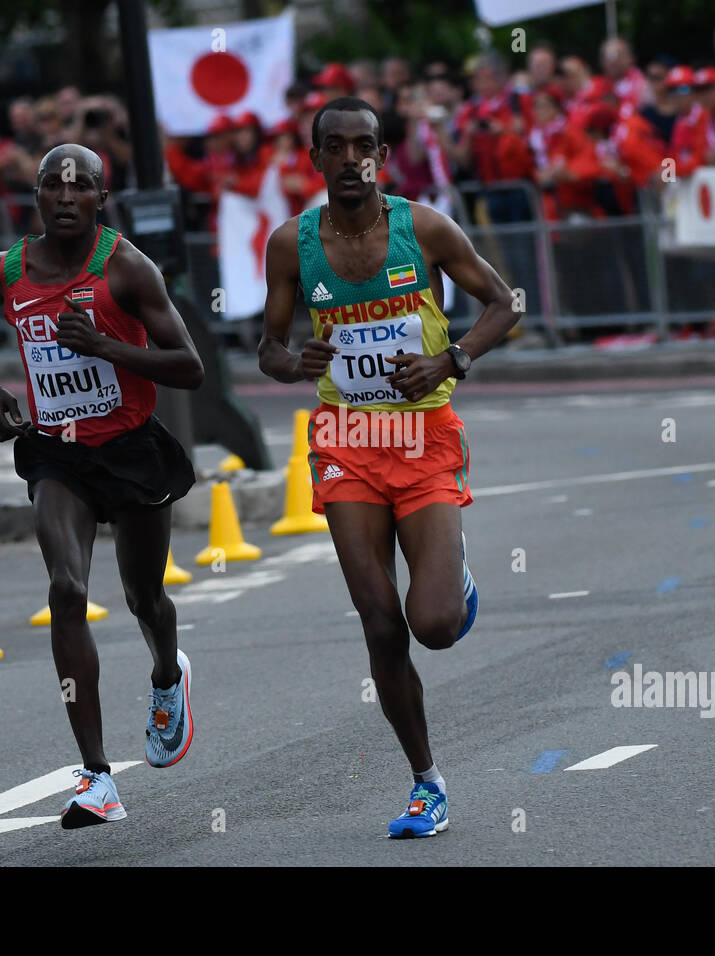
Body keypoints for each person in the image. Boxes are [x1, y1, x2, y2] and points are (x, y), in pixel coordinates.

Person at [258, 97, 519, 838]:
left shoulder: (425, 228)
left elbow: (505, 303)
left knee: (431, 624)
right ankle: (425, 783)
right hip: (345, 438)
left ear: (382, 155)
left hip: (425, 434)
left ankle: (453, 578)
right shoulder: (290, 244)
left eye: (363, 145)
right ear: (315, 159)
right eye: (334, 147)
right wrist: (290, 363)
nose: (350, 159)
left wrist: (452, 358)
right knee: (380, 623)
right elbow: (268, 348)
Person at [0, 143, 204, 828]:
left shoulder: (126, 268)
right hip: (57, 454)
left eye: (81, 188)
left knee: (144, 597)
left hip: (131, 450)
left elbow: (188, 367)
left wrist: (104, 346)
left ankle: (167, 676)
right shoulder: (4, 270)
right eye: (52, 187)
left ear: (103, 198)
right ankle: (97, 775)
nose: (66, 198)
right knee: (67, 591)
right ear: (37, 196)